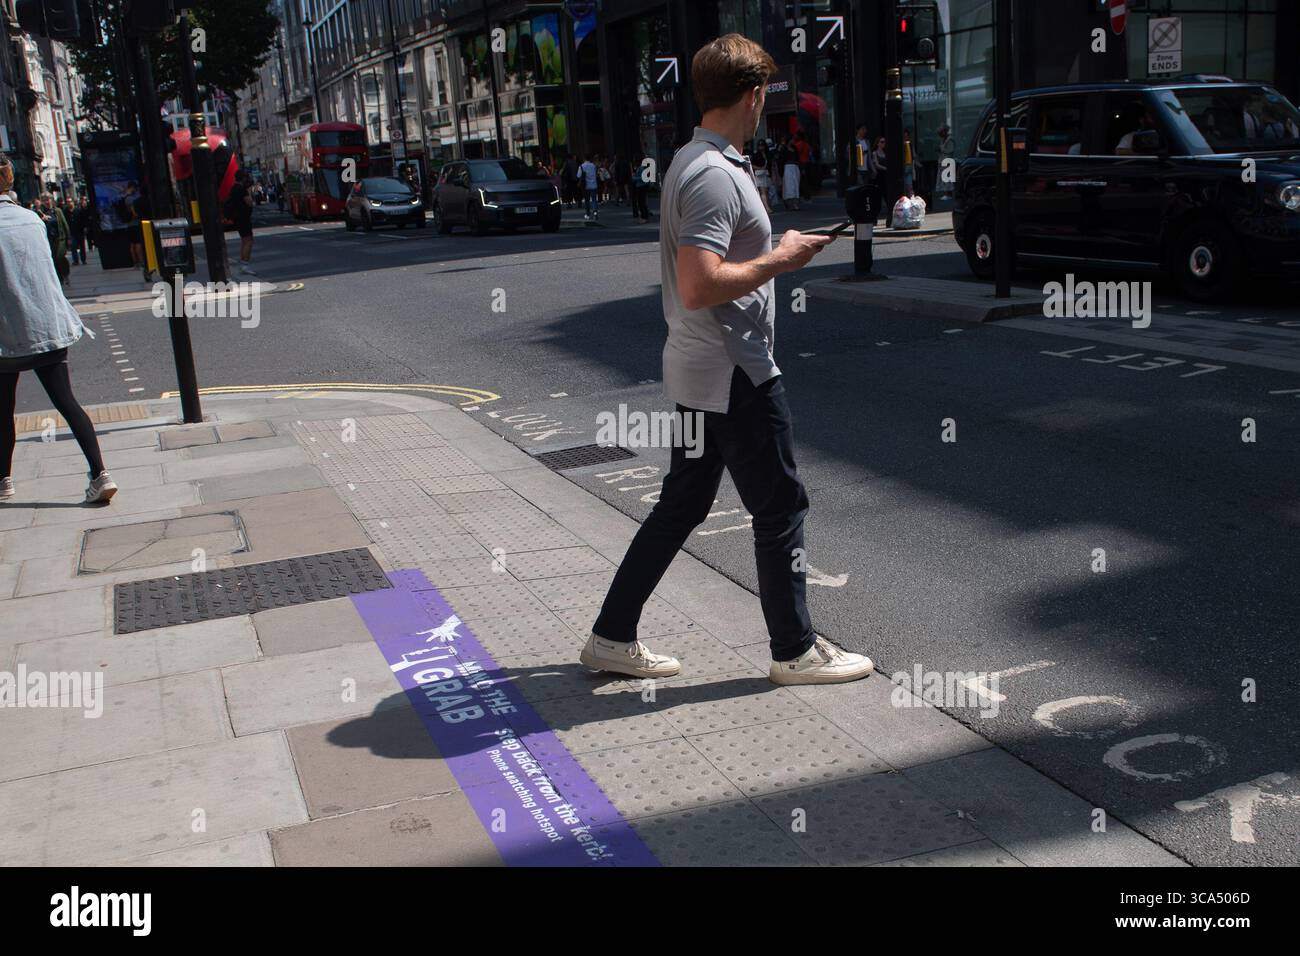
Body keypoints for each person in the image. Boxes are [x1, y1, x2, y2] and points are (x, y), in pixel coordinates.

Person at [579, 34, 874, 687]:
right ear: (753, 93)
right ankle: (794, 649)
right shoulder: (713, 175)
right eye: (765, 91)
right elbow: (699, 283)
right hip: (733, 371)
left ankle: (611, 634)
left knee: (682, 504)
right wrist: (783, 257)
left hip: (695, 371)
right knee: (781, 505)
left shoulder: (691, 158)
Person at [0, 157, 116, 505]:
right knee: (67, 402)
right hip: (45, 326)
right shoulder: (31, 219)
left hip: (6, 337)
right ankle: (100, 474)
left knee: (3, 410)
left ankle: (4, 481)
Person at [226, 170, 256, 275]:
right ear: (243, 178)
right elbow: (250, 202)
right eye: (246, 177)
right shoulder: (241, 189)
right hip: (243, 218)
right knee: (249, 241)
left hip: (238, 219)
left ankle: (243, 264)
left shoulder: (234, 188)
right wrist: (249, 191)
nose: (248, 179)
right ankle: (245, 265)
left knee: (244, 240)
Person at [781, 135, 801, 210]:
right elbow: (781, 160)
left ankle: (796, 203)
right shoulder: (784, 149)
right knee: (789, 185)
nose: (793, 141)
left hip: (795, 167)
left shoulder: (794, 148)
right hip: (787, 168)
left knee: (795, 185)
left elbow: (798, 158)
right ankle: (789, 203)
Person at [630, 152, 651, 223]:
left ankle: (644, 217)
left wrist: (634, 178)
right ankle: (643, 216)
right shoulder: (641, 167)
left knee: (641, 202)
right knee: (641, 202)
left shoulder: (641, 168)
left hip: (641, 186)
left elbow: (643, 177)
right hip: (641, 186)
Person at [579, 152, 599, 221]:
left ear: (584, 158)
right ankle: (595, 213)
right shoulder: (593, 165)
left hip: (586, 186)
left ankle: (587, 214)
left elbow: (578, 175)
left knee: (587, 200)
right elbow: (596, 174)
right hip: (593, 185)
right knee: (594, 199)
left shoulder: (582, 166)